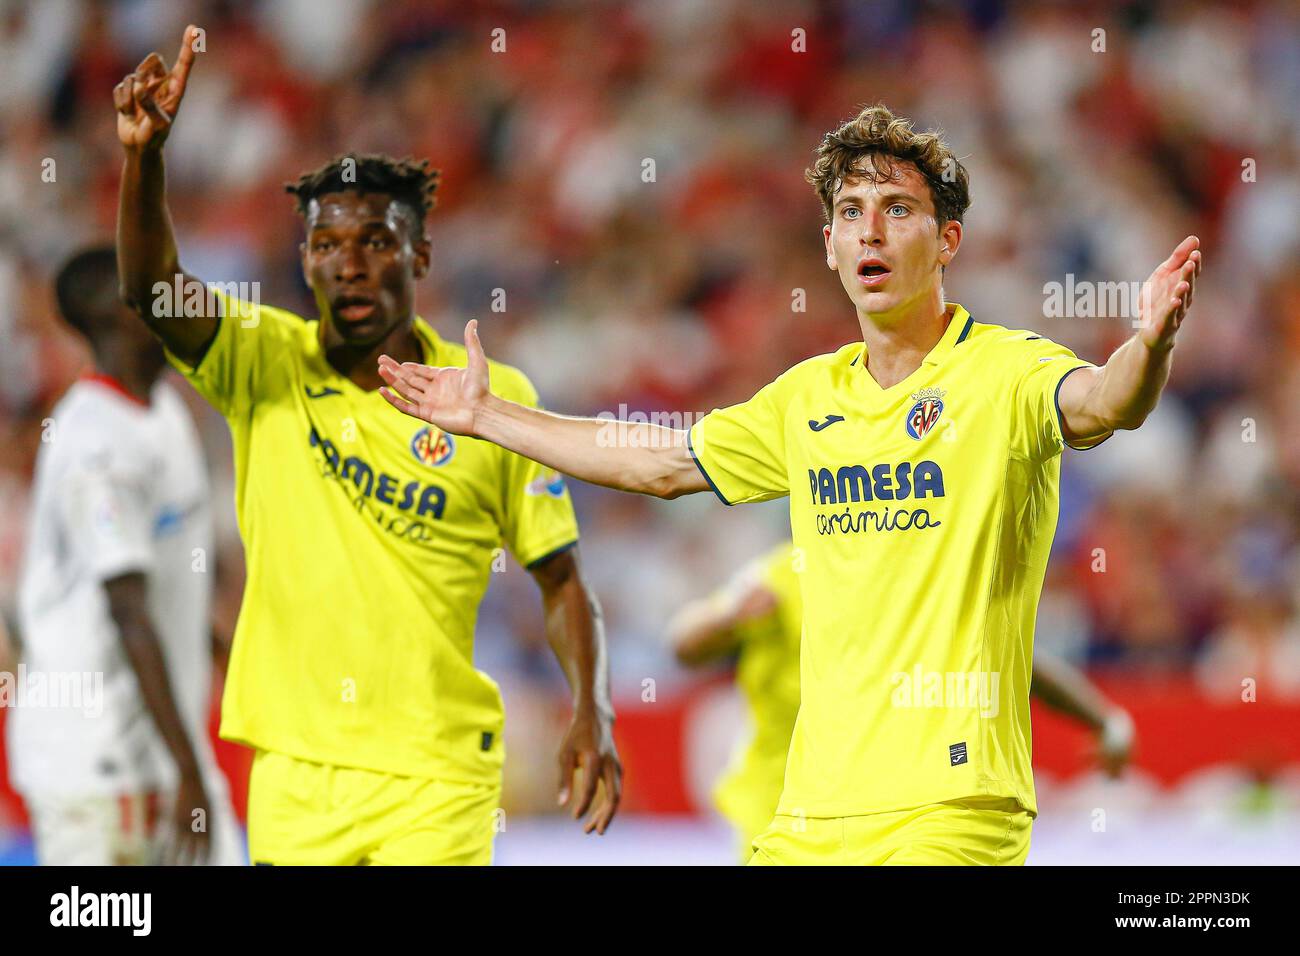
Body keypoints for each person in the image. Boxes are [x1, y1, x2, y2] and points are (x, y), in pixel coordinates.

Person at [378, 103, 1200, 865]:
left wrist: (1151, 345)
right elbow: (659, 461)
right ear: (832, 247)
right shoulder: (806, 399)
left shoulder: (1007, 373)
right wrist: (489, 417)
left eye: (899, 210)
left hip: (951, 805)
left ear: (948, 240)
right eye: (850, 214)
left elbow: (1105, 401)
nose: (870, 230)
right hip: (810, 812)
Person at [113, 26, 620, 865]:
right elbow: (150, 289)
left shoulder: (491, 397)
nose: (349, 264)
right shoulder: (262, 360)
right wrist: (146, 161)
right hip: (296, 770)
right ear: (303, 260)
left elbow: (559, 576)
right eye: (325, 244)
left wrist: (590, 708)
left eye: (375, 242)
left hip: (436, 772)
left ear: (418, 253)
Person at [668, 540, 1137, 862]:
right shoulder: (786, 574)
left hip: (891, 802)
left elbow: (1014, 659)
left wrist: (1104, 720)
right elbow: (684, 643)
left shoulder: (920, 581)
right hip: (784, 802)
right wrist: (729, 616)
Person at [8, 246, 242, 865]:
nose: (177, 294)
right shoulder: (93, 447)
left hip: (167, 751)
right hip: (96, 765)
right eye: (156, 284)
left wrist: (232, 666)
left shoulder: (163, 408)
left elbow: (174, 592)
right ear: (121, 313)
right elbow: (129, 611)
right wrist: (192, 771)